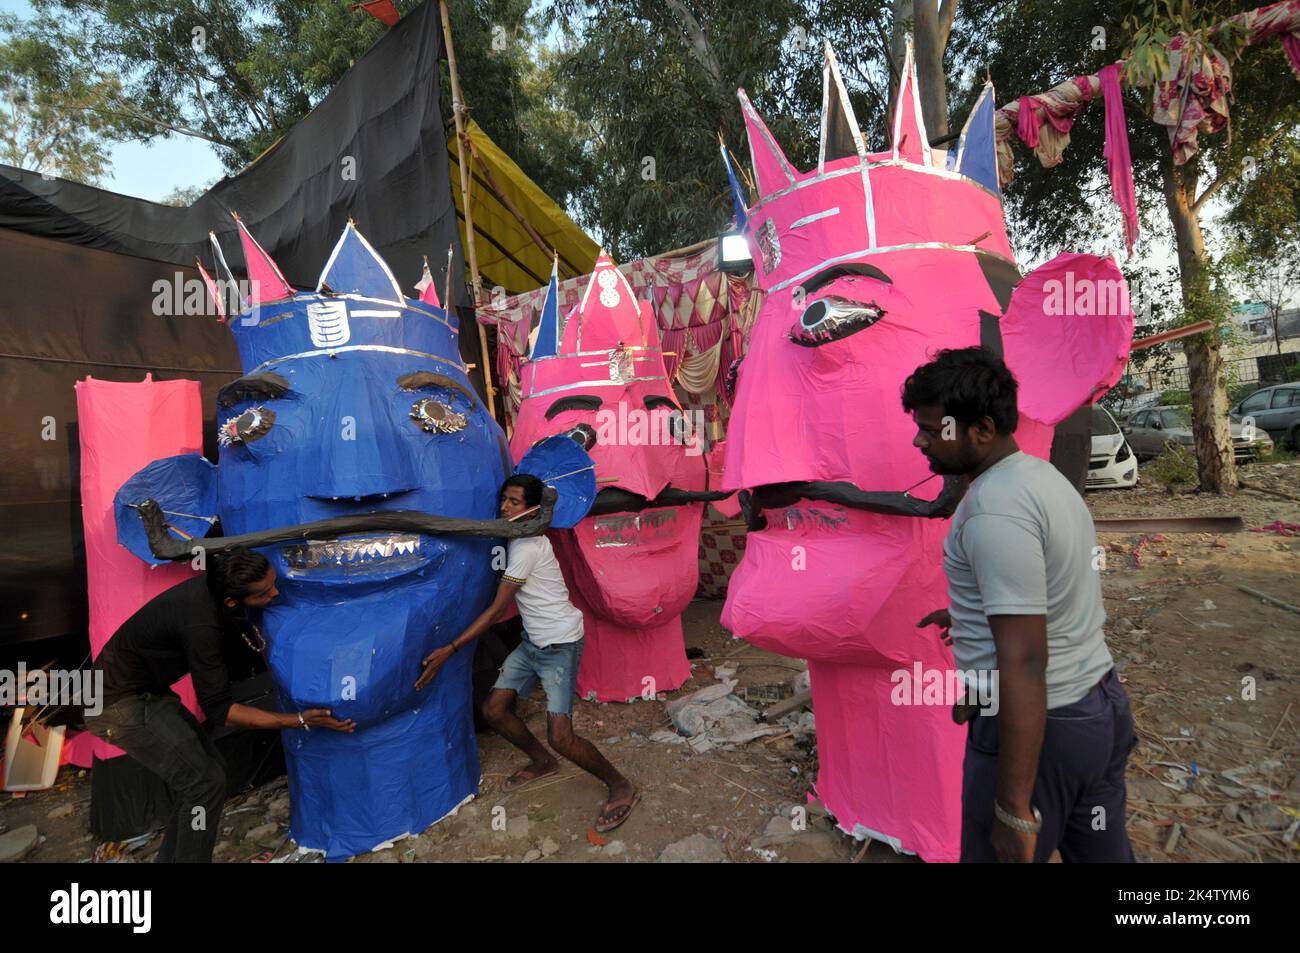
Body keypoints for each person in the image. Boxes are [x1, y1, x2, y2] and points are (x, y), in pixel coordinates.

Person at [904, 347, 1136, 863]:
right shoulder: (1037, 478)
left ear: (982, 429)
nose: (920, 439)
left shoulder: (994, 510)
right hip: (1097, 709)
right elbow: (1055, 586)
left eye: (932, 428)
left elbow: (1026, 659)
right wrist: (969, 617)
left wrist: (1012, 808)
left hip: (1042, 727)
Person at [86, 548, 354, 862]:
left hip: (145, 691)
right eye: (265, 593)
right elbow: (221, 710)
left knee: (206, 778)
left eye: (273, 584)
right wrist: (299, 720)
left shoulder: (219, 587)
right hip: (116, 706)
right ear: (231, 601)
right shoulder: (201, 626)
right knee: (204, 784)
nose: (275, 593)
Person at [416, 474, 639, 833]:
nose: (504, 507)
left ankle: (620, 785)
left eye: (514, 503)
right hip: (534, 641)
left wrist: (451, 649)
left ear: (533, 510)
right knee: (493, 709)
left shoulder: (526, 548)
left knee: (561, 736)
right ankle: (542, 761)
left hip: (559, 644)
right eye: (503, 499)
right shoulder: (519, 537)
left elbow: (493, 611)